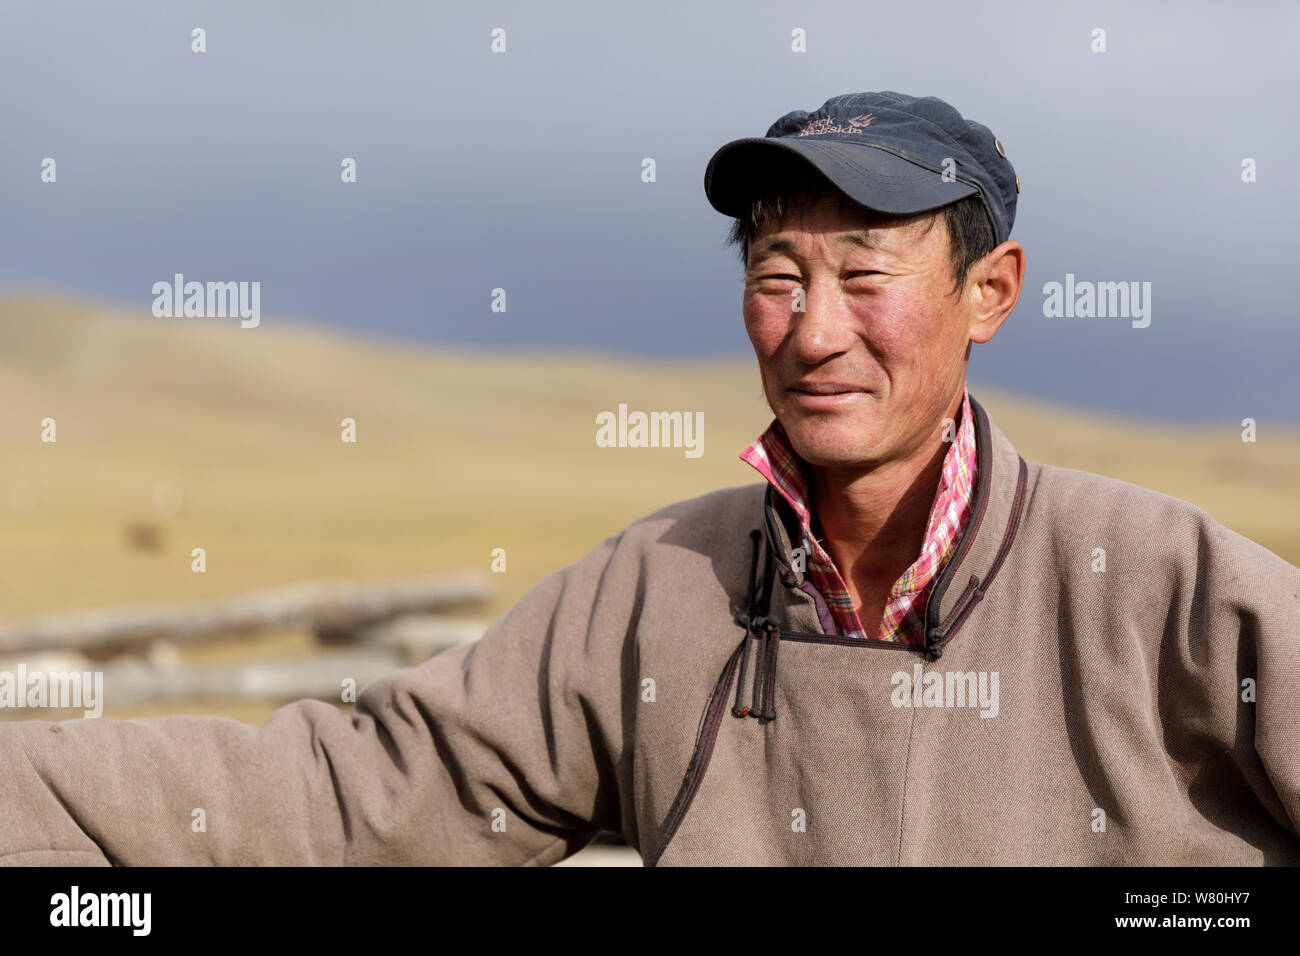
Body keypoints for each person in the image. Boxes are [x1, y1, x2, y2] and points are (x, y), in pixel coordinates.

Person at [2, 91, 1296, 866]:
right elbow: (358, 801)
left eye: (863, 274)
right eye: (779, 275)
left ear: (989, 293)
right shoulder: (655, 596)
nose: (814, 327)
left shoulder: (1168, 589)